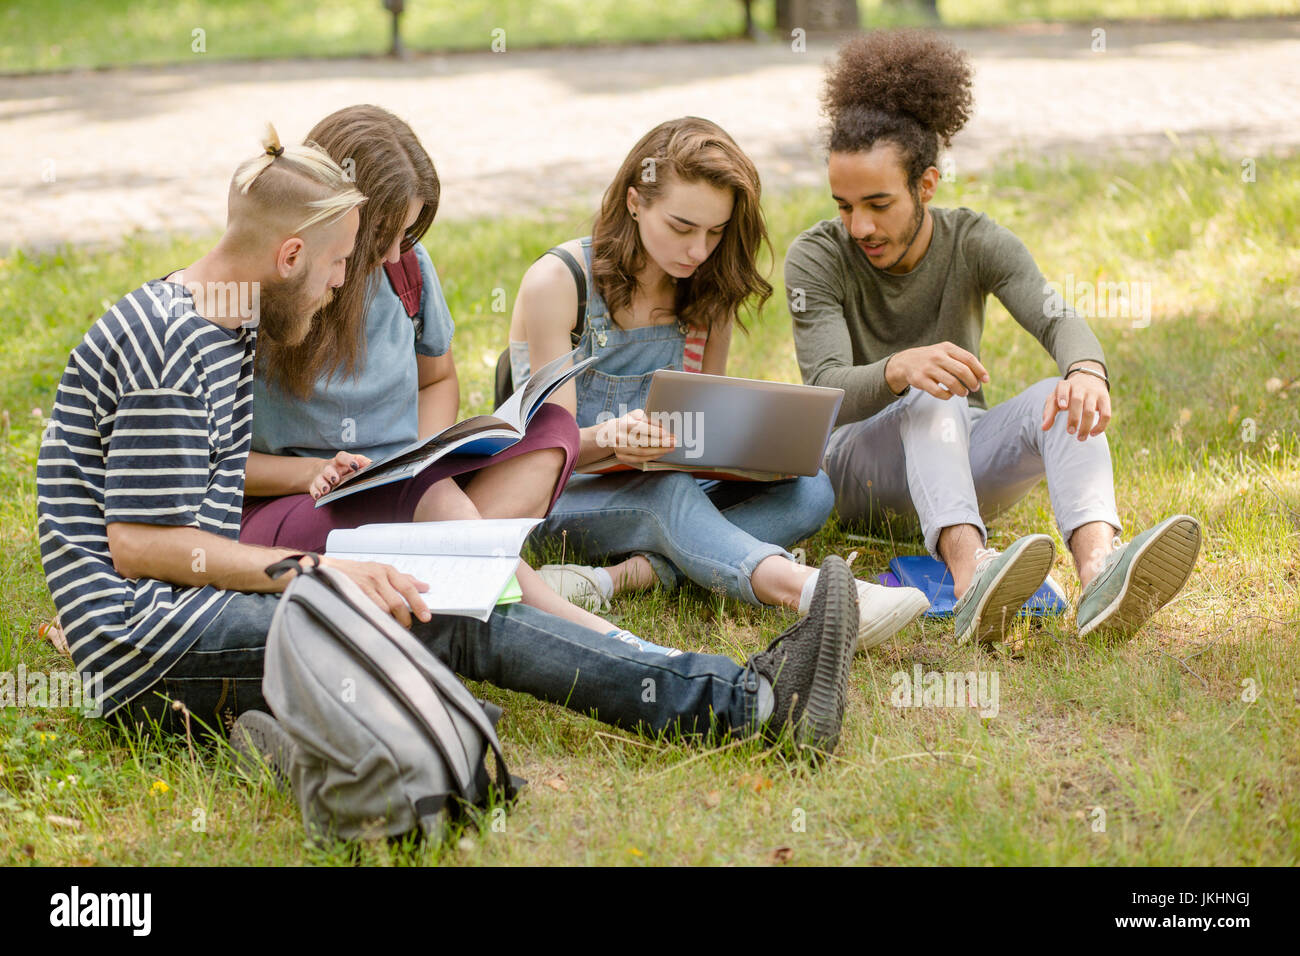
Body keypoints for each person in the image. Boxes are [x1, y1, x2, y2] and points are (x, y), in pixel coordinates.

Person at [34, 128, 860, 756]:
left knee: (443, 588)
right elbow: (140, 545)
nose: (339, 289)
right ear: (289, 253)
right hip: (151, 646)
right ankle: (745, 705)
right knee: (455, 610)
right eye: (337, 267)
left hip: (198, 614)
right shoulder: (171, 346)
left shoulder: (219, 322)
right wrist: (327, 573)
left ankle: (411, 721)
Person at [785, 30, 1201, 645]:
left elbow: (1056, 314)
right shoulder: (817, 258)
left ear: (926, 185)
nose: (860, 226)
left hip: (956, 456)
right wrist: (901, 368)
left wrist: (1085, 369)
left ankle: (1101, 574)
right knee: (933, 388)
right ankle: (970, 574)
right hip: (856, 469)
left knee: (1057, 396)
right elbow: (825, 391)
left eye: (877, 203)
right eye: (844, 206)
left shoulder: (975, 240)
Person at [509, 116, 929, 653]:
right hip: (559, 501)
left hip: (660, 484)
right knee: (666, 491)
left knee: (810, 490)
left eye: (715, 232)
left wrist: (750, 452)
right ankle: (814, 594)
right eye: (682, 227)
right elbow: (550, 453)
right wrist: (615, 438)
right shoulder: (560, 282)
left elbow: (698, 436)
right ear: (635, 202)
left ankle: (620, 578)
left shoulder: (707, 293)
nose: (698, 251)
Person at [237, 104, 631, 642]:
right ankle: (571, 625)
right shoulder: (263, 297)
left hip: (405, 485)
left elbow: (436, 379)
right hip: (300, 505)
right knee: (432, 500)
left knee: (552, 434)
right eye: (385, 234)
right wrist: (313, 472)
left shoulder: (407, 270)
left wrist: (423, 455)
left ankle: (441, 555)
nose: (396, 252)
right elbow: (216, 468)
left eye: (408, 233)